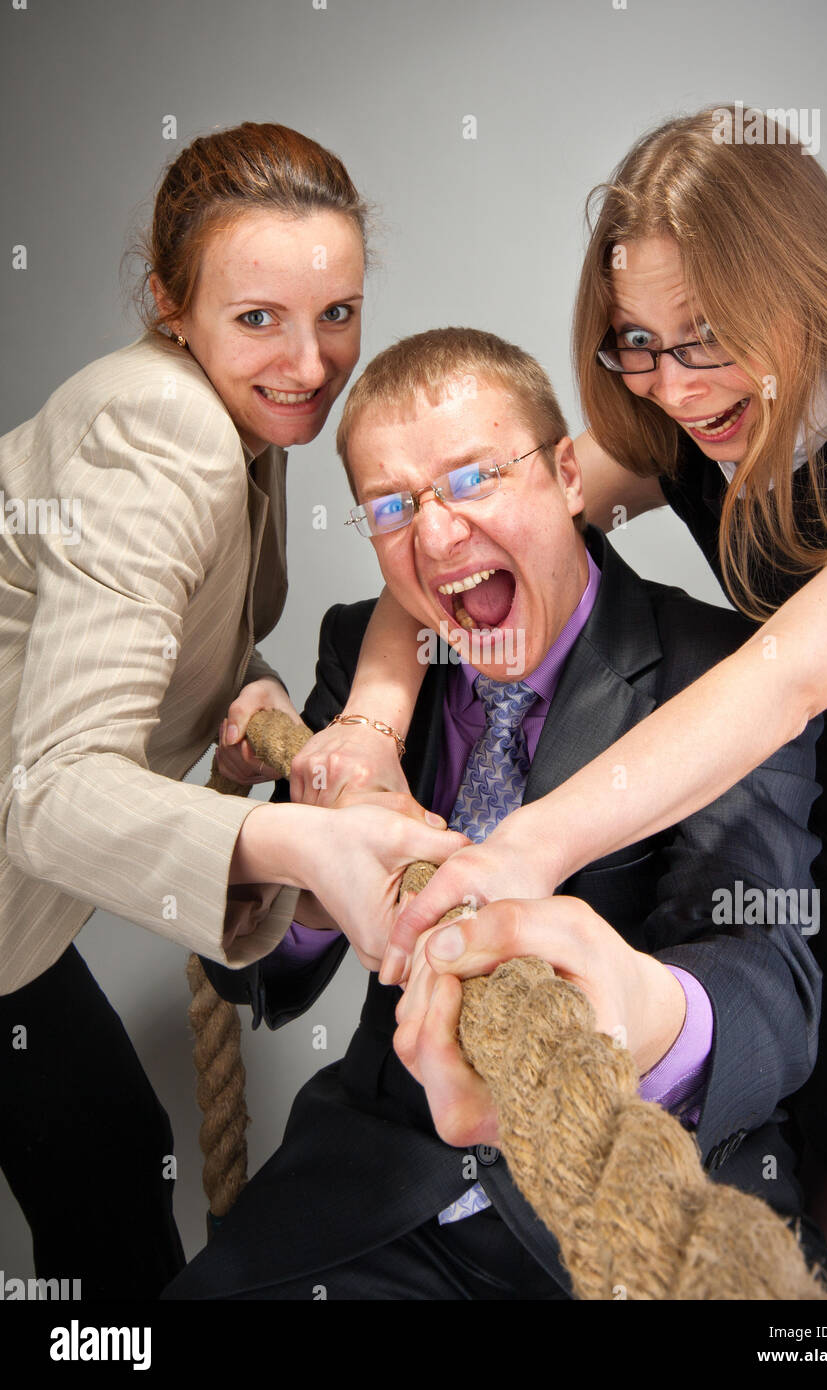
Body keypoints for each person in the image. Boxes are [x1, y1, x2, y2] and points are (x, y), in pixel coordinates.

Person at [348, 111, 827, 1294]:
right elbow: (462, 539)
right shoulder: (684, 430)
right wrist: (370, 721)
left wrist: (520, 846)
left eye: (708, 335)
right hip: (817, 893)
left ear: (807, 287)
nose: (676, 384)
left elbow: (787, 675)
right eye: (638, 343)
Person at [164, 327, 827, 1300]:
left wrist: (636, 1023)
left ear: (567, 474)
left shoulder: (719, 667)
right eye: (390, 506)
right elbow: (263, 979)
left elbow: (773, 978)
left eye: (473, 478)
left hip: (626, 1212)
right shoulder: (362, 654)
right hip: (373, 1198)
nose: (434, 537)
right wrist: (315, 892)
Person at [0, 123, 462, 1298]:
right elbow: (51, 791)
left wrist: (238, 679)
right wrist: (302, 841)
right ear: (170, 303)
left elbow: (138, 613)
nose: (312, 363)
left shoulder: (234, 419)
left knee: (105, 1159)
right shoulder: (168, 432)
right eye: (260, 318)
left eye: (339, 314)